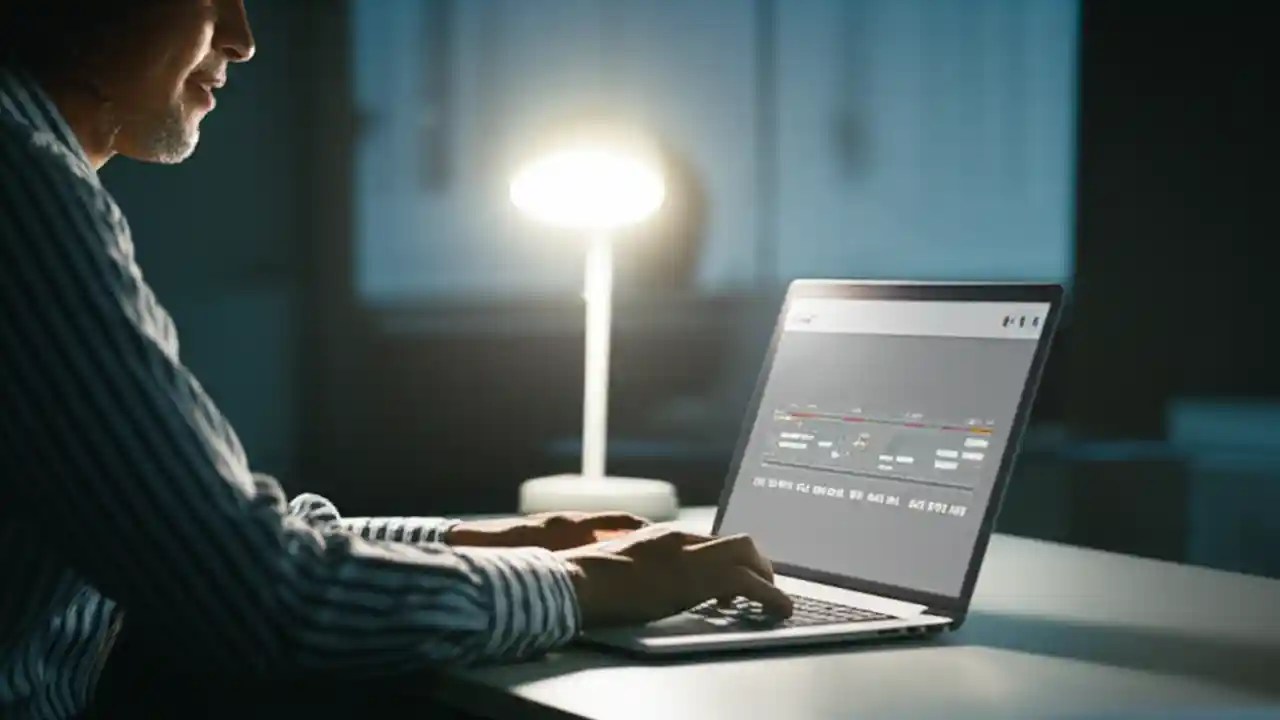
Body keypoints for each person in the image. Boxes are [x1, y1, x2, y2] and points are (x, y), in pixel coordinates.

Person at [0, 1, 792, 718]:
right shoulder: (23, 195)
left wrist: (485, 543)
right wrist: (595, 586)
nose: (242, 40)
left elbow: (192, 536)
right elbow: (263, 595)